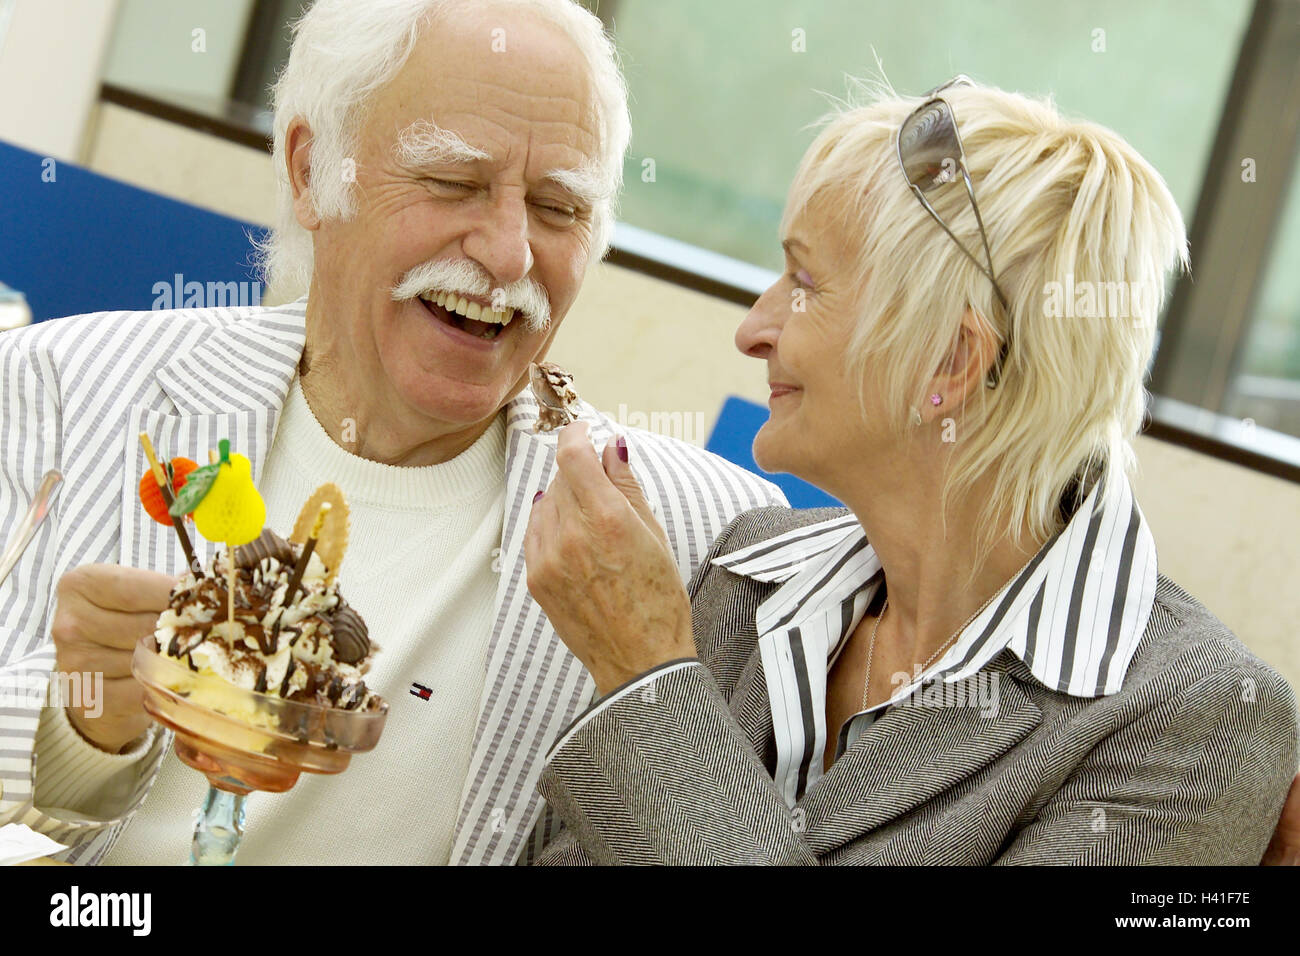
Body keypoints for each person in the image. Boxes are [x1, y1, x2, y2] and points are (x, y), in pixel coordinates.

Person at [0, 0, 782, 866]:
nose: (511, 253)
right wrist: (83, 729)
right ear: (310, 173)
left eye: (559, 207)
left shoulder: (698, 538)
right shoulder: (62, 389)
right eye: (454, 183)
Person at [524, 78, 1300, 864]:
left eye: (804, 284)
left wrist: (650, 677)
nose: (754, 330)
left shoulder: (1196, 717)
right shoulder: (745, 573)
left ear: (951, 363)